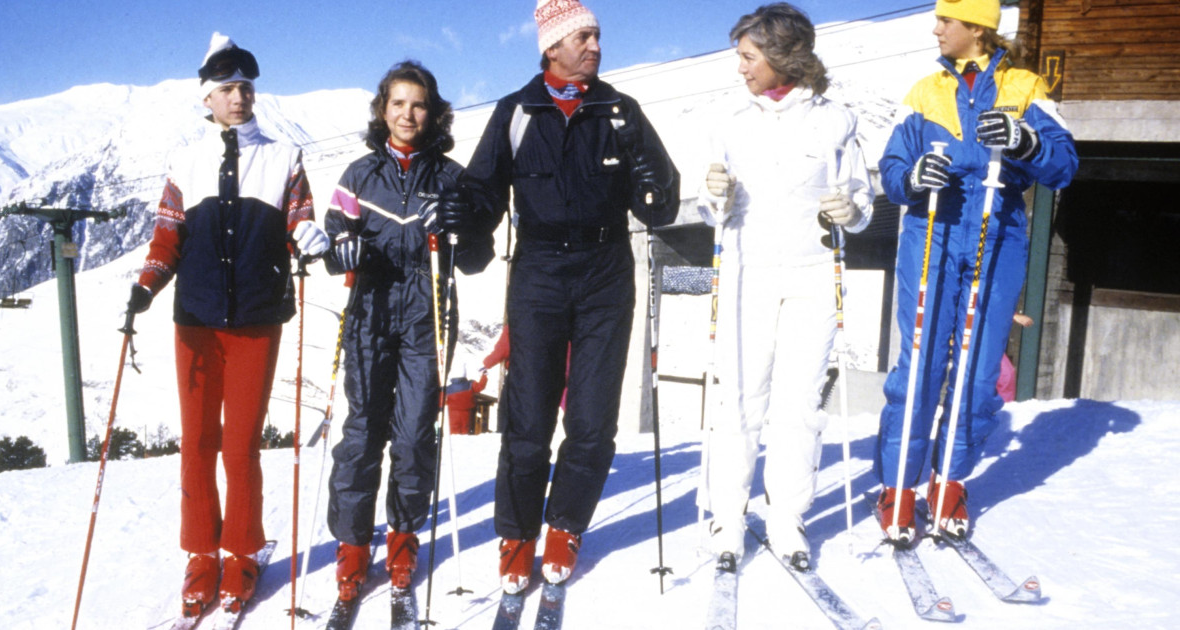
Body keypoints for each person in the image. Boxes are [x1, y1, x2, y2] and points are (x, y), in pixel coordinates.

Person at [464, 0, 680, 594]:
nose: (595, 46)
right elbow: (482, 192)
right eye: (582, 36)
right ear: (551, 47)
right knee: (528, 415)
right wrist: (463, 220)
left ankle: (565, 525)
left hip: (606, 271)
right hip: (537, 270)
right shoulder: (516, 112)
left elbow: (661, 201)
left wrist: (652, 180)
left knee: (592, 415)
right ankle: (517, 533)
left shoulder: (620, 111)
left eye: (597, 36)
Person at [125, 33, 330, 617]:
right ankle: (200, 554)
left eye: (245, 87)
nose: (239, 97)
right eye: (227, 89)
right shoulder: (184, 160)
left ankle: (240, 554)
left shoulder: (284, 157)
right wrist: (145, 286)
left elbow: (300, 218)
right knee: (197, 442)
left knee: (241, 445)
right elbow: (167, 235)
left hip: (256, 320)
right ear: (207, 98)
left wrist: (308, 237)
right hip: (195, 318)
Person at [874, 0, 1077, 544]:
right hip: (931, 230)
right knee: (920, 364)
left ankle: (950, 481)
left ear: (977, 27)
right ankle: (898, 486)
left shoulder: (1026, 88)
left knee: (979, 368)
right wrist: (913, 176)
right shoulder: (924, 92)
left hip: (997, 229)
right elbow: (891, 170)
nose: (935, 28)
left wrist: (1026, 142)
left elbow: (1064, 164)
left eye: (946, 20)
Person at [697, 3, 874, 572]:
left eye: (749, 56)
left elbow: (862, 200)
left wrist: (852, 211)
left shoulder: (835, 121)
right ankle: (727, 517)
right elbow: (710, 209)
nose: (741, 67)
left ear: (781, 56)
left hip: (812, 275)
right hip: (747, 274)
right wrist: (715, 196)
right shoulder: (731, 122)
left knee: (800, 403)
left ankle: (786, 518)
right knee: (739, 398)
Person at [321, 60, 494, 602]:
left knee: (416, 432)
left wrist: (458, 228)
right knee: (362, 431)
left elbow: (477, 257)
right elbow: (332, 245)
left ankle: (403, 536)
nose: (407, 114)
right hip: (369, 310)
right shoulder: (358, 175)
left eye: (418, 105)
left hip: (428, 312)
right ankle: (352, 544)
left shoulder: (451, 178)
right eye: (398, 103)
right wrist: (342, 249)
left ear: (433, 113)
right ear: (382, 109)